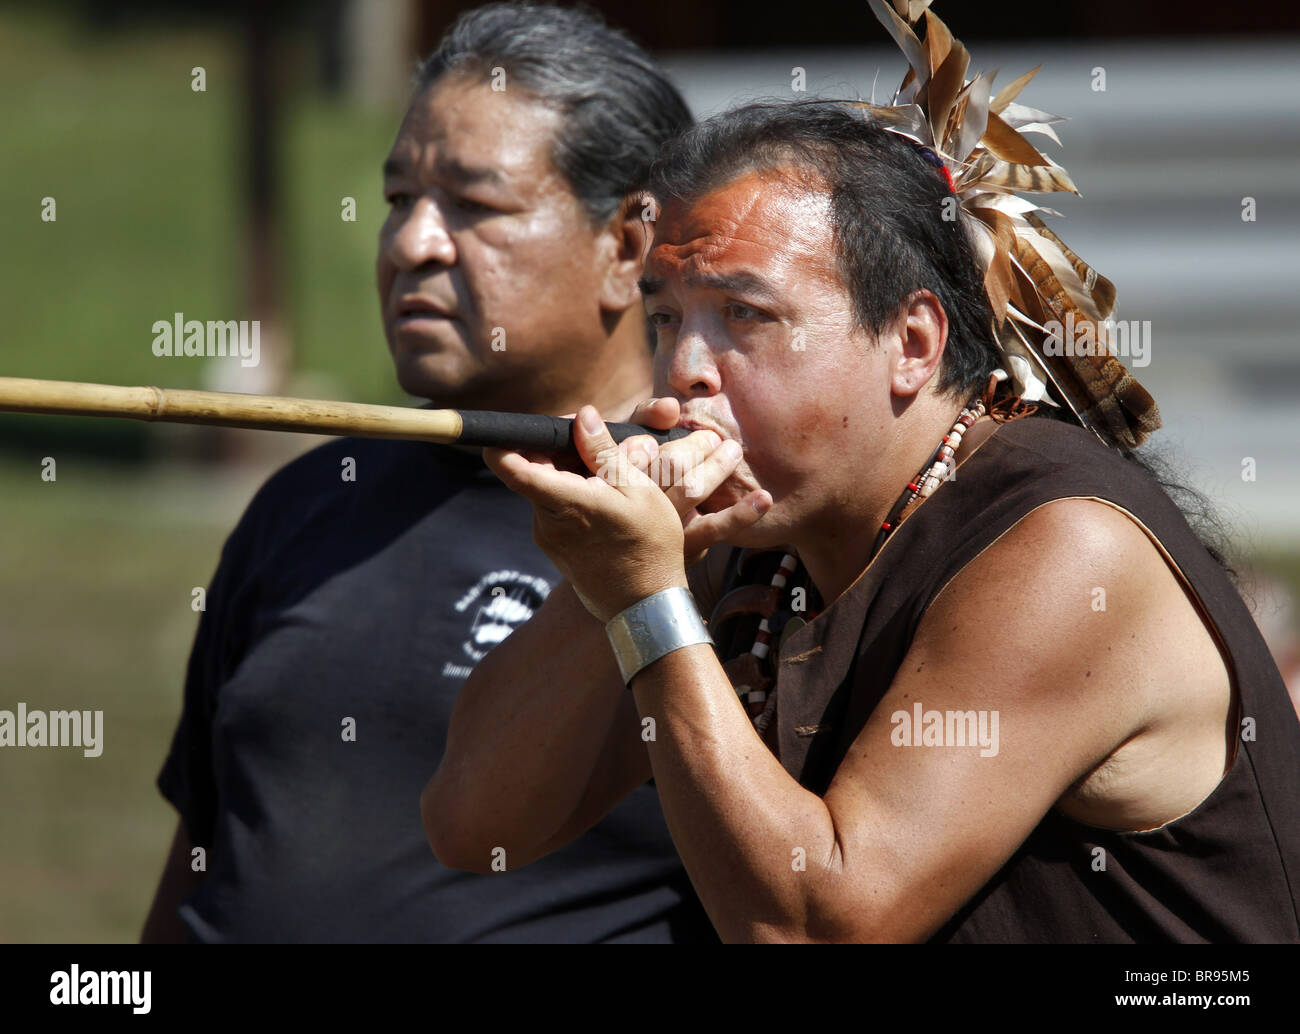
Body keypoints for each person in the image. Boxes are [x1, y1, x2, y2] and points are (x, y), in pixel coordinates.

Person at [425, 83, 1300, 937]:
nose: (685, 367)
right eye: (664, 319)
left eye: (744, 314)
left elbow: (816, 927)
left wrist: (645, 604)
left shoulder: (1068, 551)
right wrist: (599, 590)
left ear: (912, 344)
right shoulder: (748, 534)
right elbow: (480, 829)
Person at [141, 2, 713, 942]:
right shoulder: (308, 501)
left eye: (475, 205)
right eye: (400, 199)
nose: (412, 245)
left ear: (628, 250)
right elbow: (203, 856)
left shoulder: (714, 530)